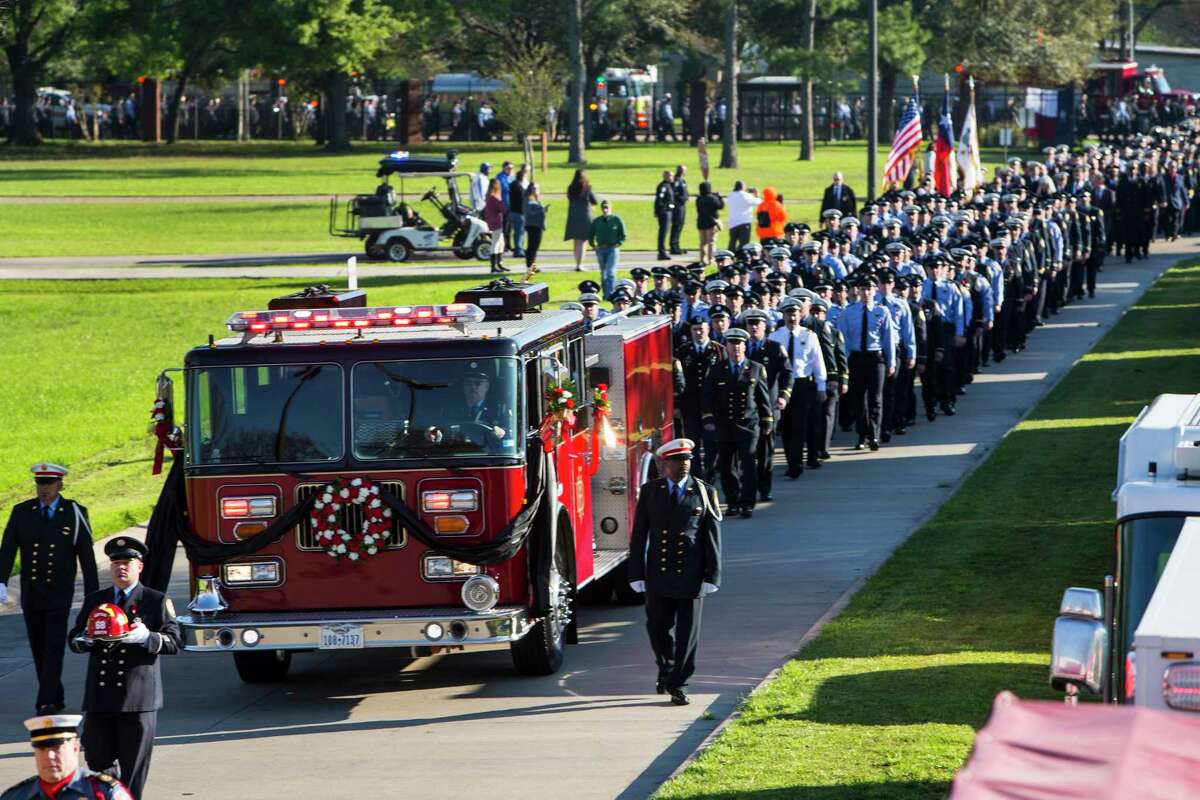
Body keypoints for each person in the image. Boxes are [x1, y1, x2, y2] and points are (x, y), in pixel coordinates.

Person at [69, 537, 181, 800]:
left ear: (139, 567)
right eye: (116, 563)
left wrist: (147, 638)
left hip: (137, 701)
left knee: (133, 772)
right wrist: (82, 640)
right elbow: (74, 638)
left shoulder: (155, 600)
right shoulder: (96, 600)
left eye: (127, 563)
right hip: (100, 698)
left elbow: (175, 641)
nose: (121, 568)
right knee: (97, 762)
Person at [626, 438, 721, 707]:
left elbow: (711, 537)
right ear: (665, 463)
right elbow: (639, 535)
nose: (684, 465)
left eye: (688, 460)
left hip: (691, 575)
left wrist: (712, 576)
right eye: (678, 460)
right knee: (657, 628)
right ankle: (666, 668)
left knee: (687, 634)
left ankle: (679, 683)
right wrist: (636, 573)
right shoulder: (650, 491)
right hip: (659, 573)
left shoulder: (703, 492)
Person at [0, 463, 99, 715]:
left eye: (49, 484)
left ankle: (45, 700)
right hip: (31, 591)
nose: (44, 489)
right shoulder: (22, 512)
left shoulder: (74, 512)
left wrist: (93, 596)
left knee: (54, 645)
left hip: (59, 592)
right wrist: (1, 581)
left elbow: (87, 558)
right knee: (39, 646)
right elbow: (8, 549)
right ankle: (55, 695)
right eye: (40, 484)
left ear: (60, 484)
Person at [702, 328, 771, 519]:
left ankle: (747, 503)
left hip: (748, 425)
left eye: (739, 344)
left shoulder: (756, 368)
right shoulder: (717, 369)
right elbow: (708, 396)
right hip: (725, 425)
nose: (736, 348)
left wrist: (767, 420)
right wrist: (708, 418)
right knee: (727, 466)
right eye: (732, 344)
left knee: (748, 464)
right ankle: (732, 501)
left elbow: (762, 397)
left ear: (745, 346)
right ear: (727, 347)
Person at [2, 714, 133, 799]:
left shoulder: (104, 793)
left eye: (56, 748)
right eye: (42, 749)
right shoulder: (16, 796)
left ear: (75, 748)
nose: (49, 756)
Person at [836, 275, 896, 451]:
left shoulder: (882, 311)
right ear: (858, 291)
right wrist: (844, 364)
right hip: (856, 358)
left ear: (875, 290)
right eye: (863, 289)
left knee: (876, 398)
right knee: (858, 399)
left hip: (876, 358)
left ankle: (874, 435)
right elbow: (844, 340)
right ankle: (862, 434)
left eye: (869, 289)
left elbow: (888, 339)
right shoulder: (848, 312)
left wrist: (891, 362)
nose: (866, 292)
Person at [769, 298, 827, 476]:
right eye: (788, 314)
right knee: (785, 426)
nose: (791, 317)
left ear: (800, 315)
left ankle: (796, 463)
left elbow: (818, 362)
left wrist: (821, 386)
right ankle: (790, 460)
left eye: (794, 314)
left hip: (802, 384)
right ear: (783, 316)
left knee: (800, 424)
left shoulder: (809, 335)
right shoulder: (775, 337)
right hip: (783, 385)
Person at [743, 309, 792, 501]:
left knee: (765, 451)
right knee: (745, 452)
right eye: (751, 323)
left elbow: (788, 374)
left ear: (765, 326)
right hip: (745, 407)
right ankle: (746, 488)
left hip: (767, 406)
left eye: (758, 323)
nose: (754, 327)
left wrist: (783, 396)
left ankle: (764, 488)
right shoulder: (739, 346)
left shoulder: (775, 348)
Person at [589, 200, 626, 299]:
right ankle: (606, 294)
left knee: (610, 272)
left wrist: (619, 243)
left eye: (607, 208)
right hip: (601, 249)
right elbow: (590, 234)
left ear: (611, 208)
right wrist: (593, 245)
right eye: (603, 208)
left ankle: (612, 294)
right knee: (603, 273)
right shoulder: (597, 221)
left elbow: (623, 235)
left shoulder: (616, 220)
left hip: (613, 249)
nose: (605, 210)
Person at [564, 169, 597, 272]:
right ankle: (580, 264)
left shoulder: (571, 188)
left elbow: (569, 198)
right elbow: (594, 201)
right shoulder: (587, 188)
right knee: (583, 241)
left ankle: (577, 263)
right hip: (585, 215)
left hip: (573, 215)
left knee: (576, 241)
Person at [694, 182, 725, 265]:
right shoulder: (712, 198)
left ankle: (702, 259)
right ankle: (711, 259)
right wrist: (719, 197)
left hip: (701, 222)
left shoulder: (699, 199)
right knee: (711, 242)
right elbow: (720, 206)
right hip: (711, 223)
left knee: (703, 242)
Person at [483, 178, 507, 274]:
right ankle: (494, 266)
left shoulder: (489, 197)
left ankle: (499, 264)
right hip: (496, 223)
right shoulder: (494, 198)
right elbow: (502, 208)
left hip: (493, 222)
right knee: (496, 243)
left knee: (501, 243)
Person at [726, 181, 758, 251]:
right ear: (743, 187)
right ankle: (740, 256)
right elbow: (758, 202)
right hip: (744, 223)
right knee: (744, 244)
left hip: (732, 224)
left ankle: (730, 257)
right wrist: (756, 194)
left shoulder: (731, 195)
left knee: (732, 242)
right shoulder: (746, 195)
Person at [523, 182, 547, 274]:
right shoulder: (527, 199)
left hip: (538, 225)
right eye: (534, 188)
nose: (536, 190)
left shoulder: (537, 199)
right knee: (532, 246)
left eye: (537, 188)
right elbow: (529, 212)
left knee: (535, 246)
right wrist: (541, 210)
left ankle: (532, 266)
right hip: (532, 225)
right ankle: (530, 266)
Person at [654, 170, 676, 260]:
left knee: (665, 231)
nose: (672, 178)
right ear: (666, 176)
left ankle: (662, 251)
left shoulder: (669, 186)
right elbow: (659, 199)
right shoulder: (663, 186)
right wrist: (662, 210)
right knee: (663, 232)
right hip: (665, 212)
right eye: (671, 176)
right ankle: (661, 252)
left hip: (668, 211)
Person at [670, 164, 689, 255]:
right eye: (683, 170)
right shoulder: (677, 180)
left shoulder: (682, 180)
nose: (684, 172)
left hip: (682, 206)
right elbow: (673, 192)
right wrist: (680, 198)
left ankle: (677, 246)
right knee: (676, 226)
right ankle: (673, 246)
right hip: (678, 206)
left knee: (680, 226)